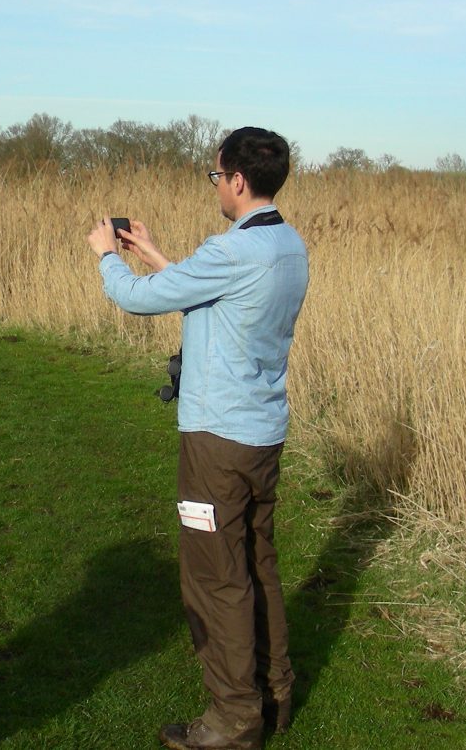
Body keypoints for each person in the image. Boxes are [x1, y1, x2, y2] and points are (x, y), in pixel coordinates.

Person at [85, 127, 309, 750]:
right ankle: (274, 691)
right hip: (262, 436)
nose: (216, 187)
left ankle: (233, 722)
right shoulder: (287, 246)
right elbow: (210, 296)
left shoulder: (232, 250)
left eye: (216, 177)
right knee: (257, 563)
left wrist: (109, 255)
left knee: (216, 577)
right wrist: (155, 252)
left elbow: (135, 299)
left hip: (217, 440)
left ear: (237, 180)